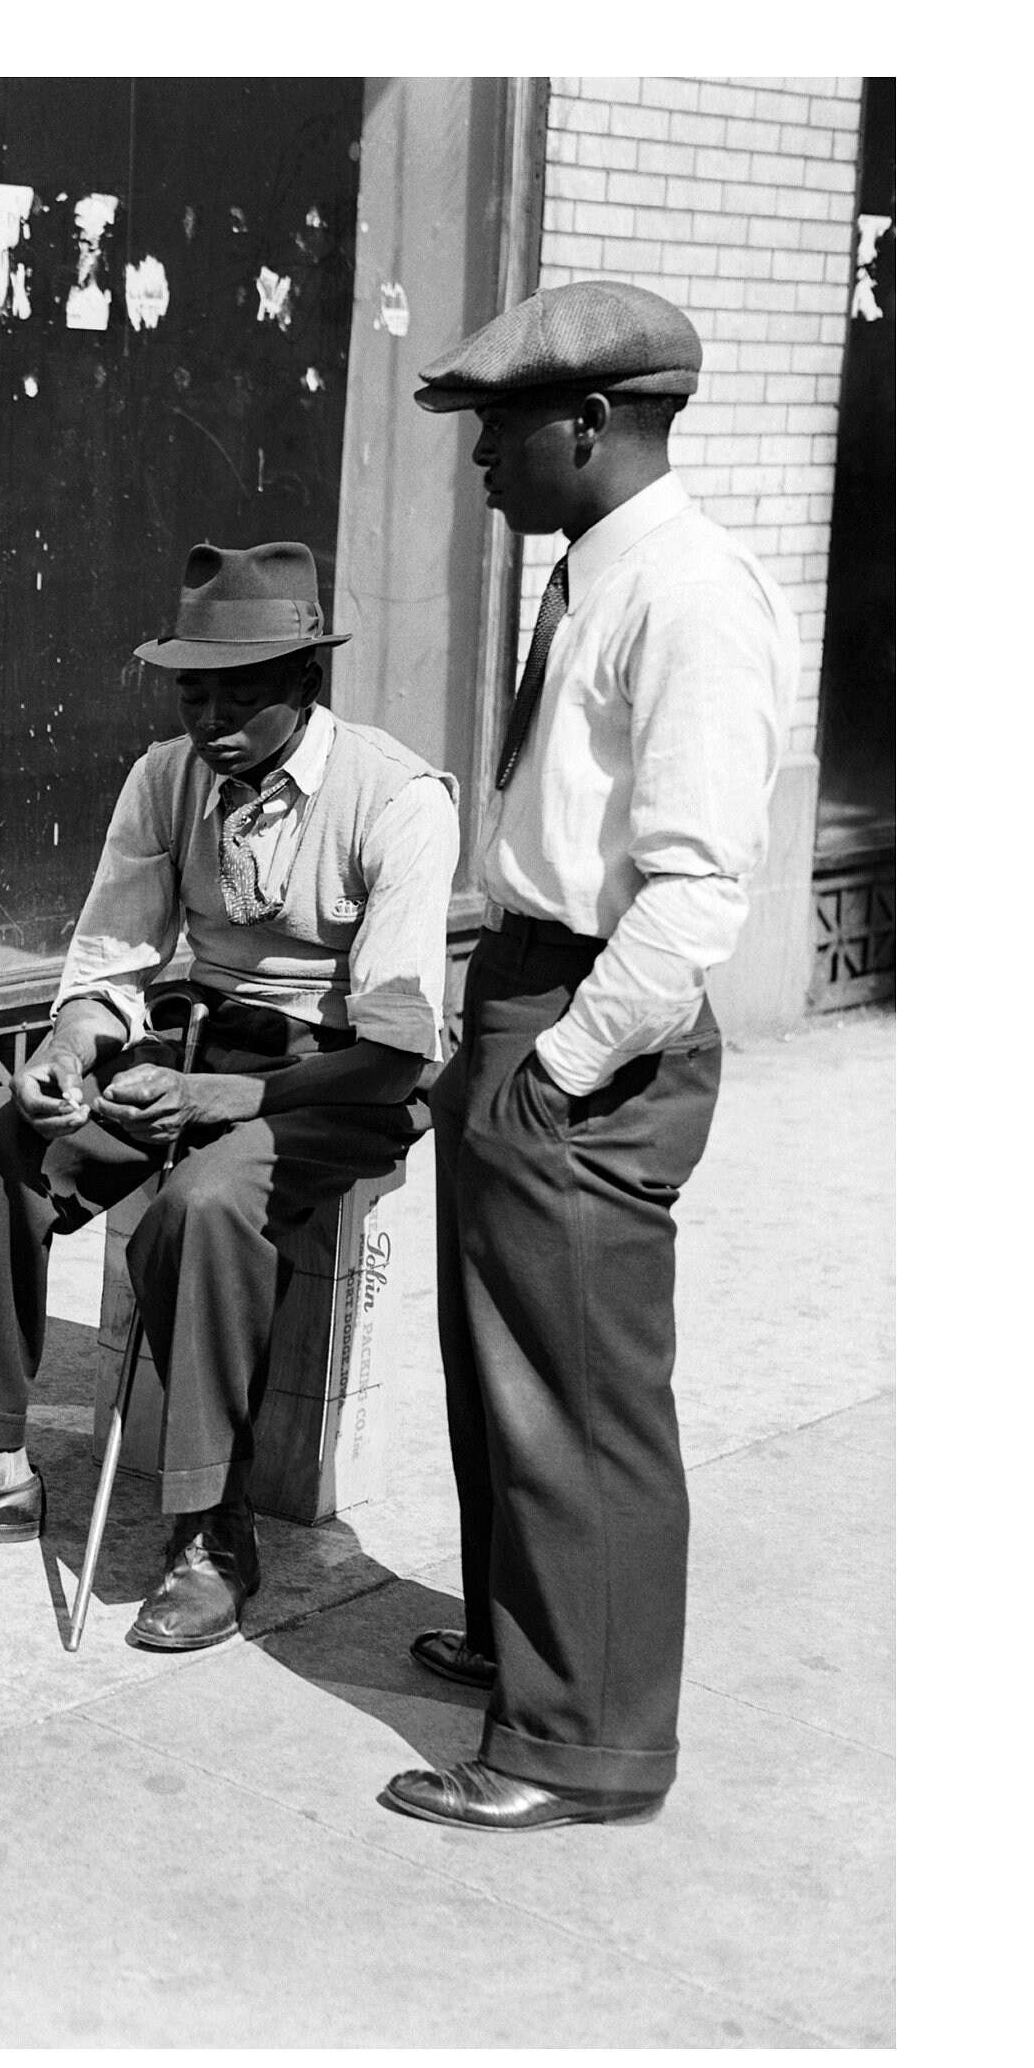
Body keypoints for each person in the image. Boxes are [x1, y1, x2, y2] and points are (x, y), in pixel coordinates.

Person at [0, 544, 457, 1660]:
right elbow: (112, 961)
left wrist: (227, 1097)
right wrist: (71, 1046)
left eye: (242, 693)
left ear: (308, 682)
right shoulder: (168, 774)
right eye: (193, 690)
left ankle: (212, 1527)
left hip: (344, 1071)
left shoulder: (400, 799)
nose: (212, 719)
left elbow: (402, 1040)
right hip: (202, 1036)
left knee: (207, 1203)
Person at [386, 280, 792, 1834]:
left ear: (590, 424)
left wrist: (560, 1066)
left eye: (498, 433)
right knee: (501, 1369)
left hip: (589, 1026)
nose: (483, 463)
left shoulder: (689, 593)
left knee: (578, 1392)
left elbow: (694, 889)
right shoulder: (590, 573)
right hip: (529, 987)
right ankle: (520, 1641)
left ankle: (579, 1743)